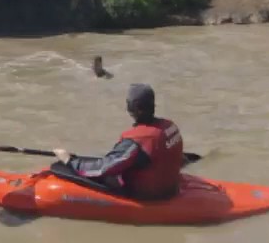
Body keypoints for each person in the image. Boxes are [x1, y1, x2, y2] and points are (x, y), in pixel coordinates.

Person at [52, 84, 184, 200]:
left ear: (135, 108)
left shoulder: (136, 141)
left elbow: (103, 168)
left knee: (76, 170)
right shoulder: (170, 126)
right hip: (170, 189)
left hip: (149, 196)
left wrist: (69, 160)